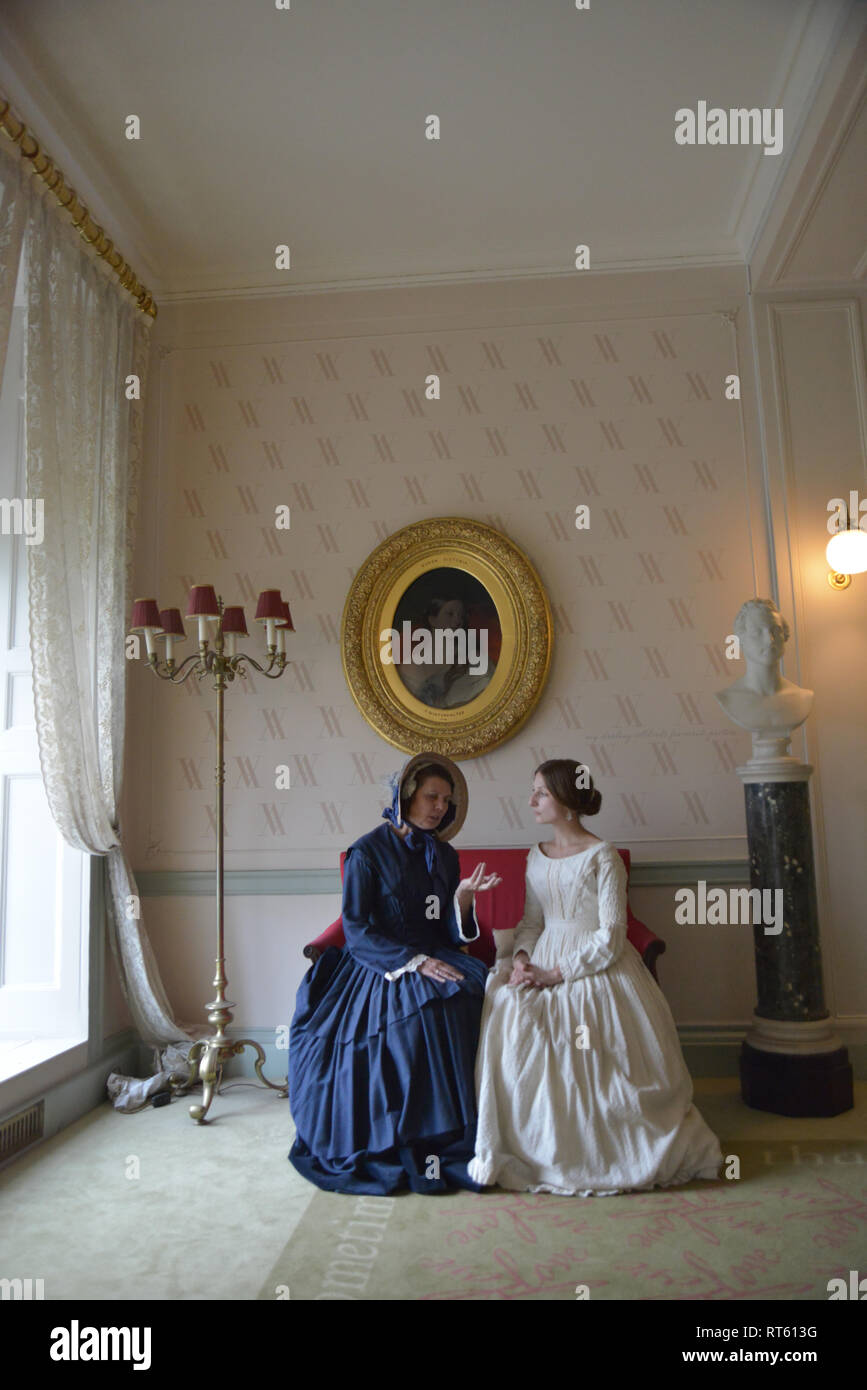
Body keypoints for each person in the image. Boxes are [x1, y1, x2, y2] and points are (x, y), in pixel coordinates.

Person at [469, 760, 723, 1196]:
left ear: (567, 802)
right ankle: (531, 1144)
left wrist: (555, 974)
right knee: (508, 1003)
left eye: (541, 793)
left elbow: (611, 934)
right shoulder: (536, 855)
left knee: (576, 1022)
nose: (531, 801)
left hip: (594, 963)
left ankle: (598, 1145)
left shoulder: (603, 856)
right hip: (545, 951)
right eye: (533, 791)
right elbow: (531, 921)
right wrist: (524, 960)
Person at [288, 753, 501, 1195]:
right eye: (430, 796)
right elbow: (357, 928)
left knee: (471, 996)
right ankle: (413, 1134)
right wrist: (414, 962)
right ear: (405, 796)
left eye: (446, 799)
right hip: (378, 964)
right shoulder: (367, 852)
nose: (439, 806)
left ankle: (473, 1129)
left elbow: (442, 926)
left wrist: (460, 898)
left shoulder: (444, 855)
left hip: (435, 952)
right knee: (423, 1011)